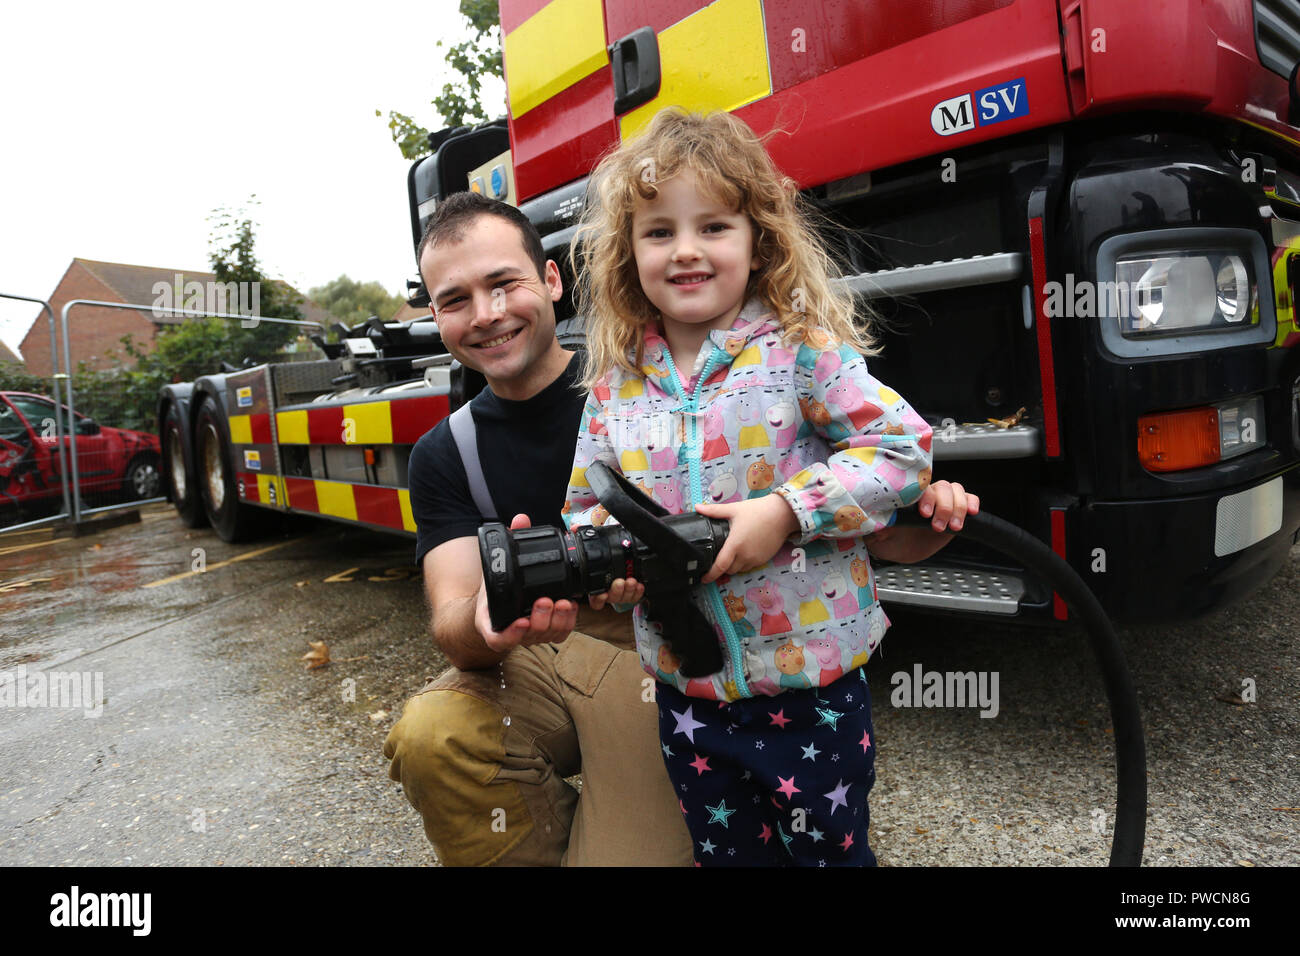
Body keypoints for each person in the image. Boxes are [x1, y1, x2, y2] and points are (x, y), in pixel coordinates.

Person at [564, 108, 977, 866]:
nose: (686, 250)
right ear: (629, 253)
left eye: (713, 226)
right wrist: (607, 572)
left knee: (831, 856)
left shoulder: (802, 354)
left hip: (811, 694)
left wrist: (787, 510)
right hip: (691, 704)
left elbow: (902, 448)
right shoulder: (613, 390)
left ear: (758, 241)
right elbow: (585, 509)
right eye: (659, 232)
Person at [381, 190, 696, 865]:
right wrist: (488, 624)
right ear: (435, 317)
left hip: (645, 651)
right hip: (532, 663)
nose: (487, 316)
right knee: (432, 735)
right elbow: (452, 621)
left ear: (551, 281)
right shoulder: (445, 452)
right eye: (456, 300)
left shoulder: (646, 387)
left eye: (503, 283)